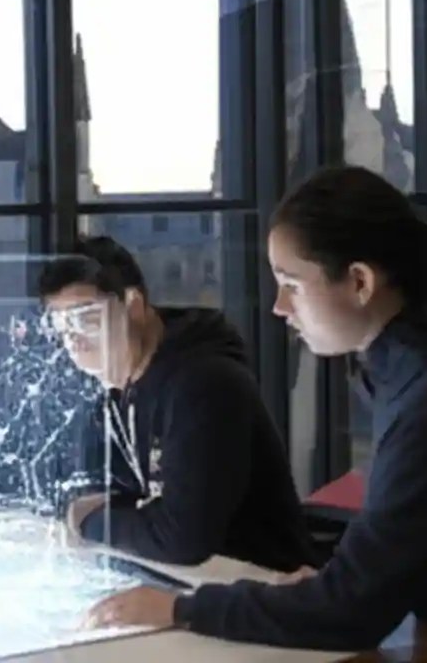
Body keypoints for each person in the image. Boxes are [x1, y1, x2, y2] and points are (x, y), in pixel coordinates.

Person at [89, 166, 427, 661]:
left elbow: (351, 613)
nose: (279, 307)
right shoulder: (419, 373)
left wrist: (182, 608)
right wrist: (330, 581)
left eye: (292, 284)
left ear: (361, 282)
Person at [40, 236, 314, 572]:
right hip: (194, 585)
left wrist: (90, 521)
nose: (74, 339)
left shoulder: (205, 383)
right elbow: (89, 494)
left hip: (262, 591)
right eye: (61, 323)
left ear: (133, 305)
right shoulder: (111, 391)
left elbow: (183, 537)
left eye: (85, 318)